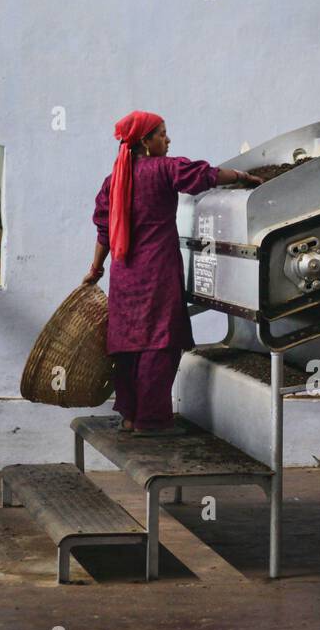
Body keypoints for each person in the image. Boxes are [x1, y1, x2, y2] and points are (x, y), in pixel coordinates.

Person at [84, 111, 263, 434]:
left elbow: (103, 232)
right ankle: (152, 421)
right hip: (157, 272)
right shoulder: (165, 169)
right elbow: (206, 175)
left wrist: (95, 270)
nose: (168, 140)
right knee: (159, 342)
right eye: (162, 134)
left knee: (128, 344)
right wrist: (242, 176)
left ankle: (129, 415)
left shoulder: (113, 181)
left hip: (123, 275)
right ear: (145, 141)